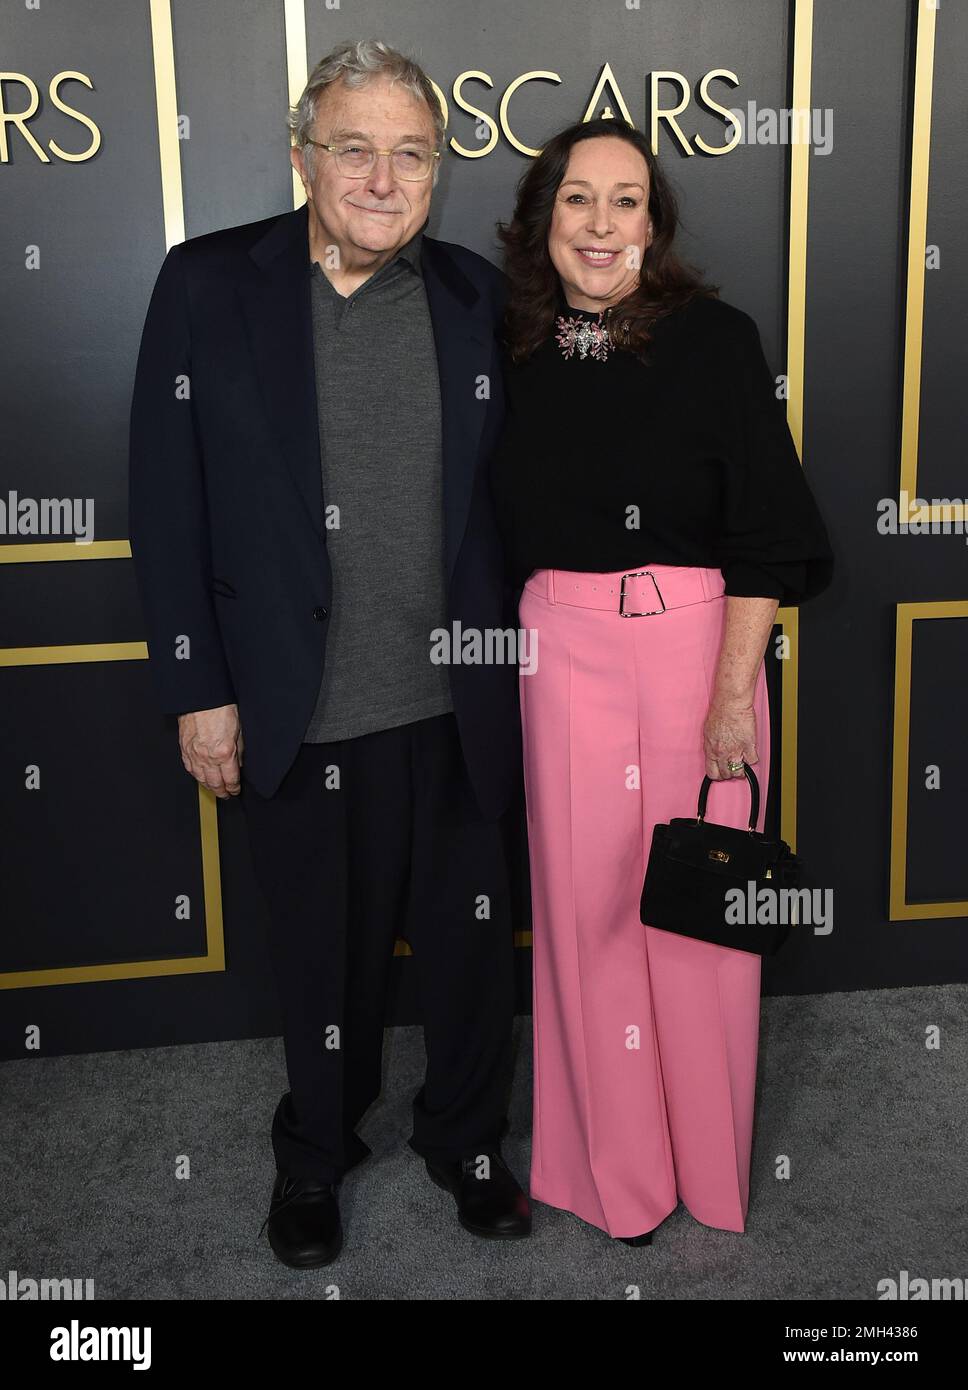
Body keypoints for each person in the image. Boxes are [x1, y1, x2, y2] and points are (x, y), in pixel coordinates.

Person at [128, 39, 530, 1268]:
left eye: (410, 153)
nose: (379, 175)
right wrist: (199, 690)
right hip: (294, 709)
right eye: (352, 147)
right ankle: (314, 1157)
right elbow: (166, 496)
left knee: (467, 953)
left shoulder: (477, 300)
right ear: (302, 155)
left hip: (455, 702)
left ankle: (465, 1144)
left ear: (436, 174)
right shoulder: (207, 285)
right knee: (320, 964)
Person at [489, 118, 834, 1244]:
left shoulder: (717, 340)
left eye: (624, 201)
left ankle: (708, 1168)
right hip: (563, 651)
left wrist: (734, 692)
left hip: (700, 651)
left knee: (699, 914)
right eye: (576, 201)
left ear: (655, 221)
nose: (600, 225)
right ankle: (615, 1178)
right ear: (543, 222)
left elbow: (770, 537)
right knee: (586, 919)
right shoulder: (506, 350)